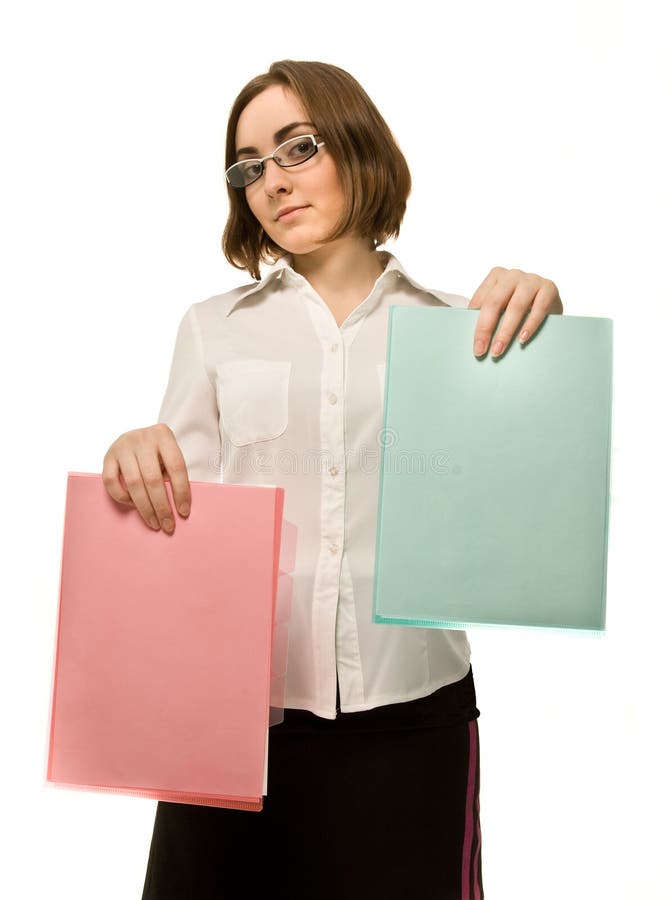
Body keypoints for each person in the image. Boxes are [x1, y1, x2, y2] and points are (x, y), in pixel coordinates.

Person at [102, 59, 562, 900]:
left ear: (356, 148)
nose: (271, 181)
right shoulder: (211, 331)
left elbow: (531, 488)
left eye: (297, 148)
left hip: (412, 721)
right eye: (248, 168)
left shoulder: (464, 331)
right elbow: (178, 518)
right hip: (234, 722)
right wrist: (135, 454)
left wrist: (545, 334)